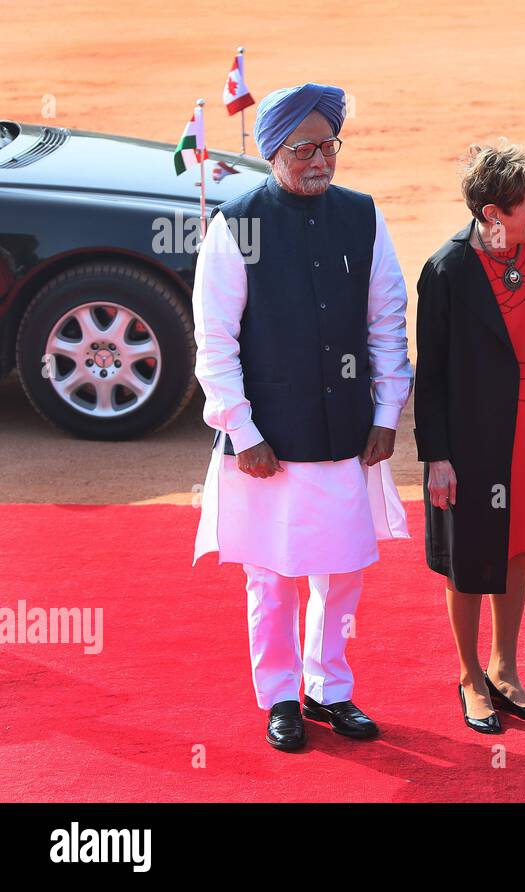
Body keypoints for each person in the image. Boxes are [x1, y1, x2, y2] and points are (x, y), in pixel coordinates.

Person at [192, 83, 413, 751]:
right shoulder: (238, 223)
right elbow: (215, 342)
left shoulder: (362, 216)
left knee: (341, 573)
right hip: (270, 443)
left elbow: (387, 322)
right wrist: (244, 431)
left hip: (345, 432)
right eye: (303, 149)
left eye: (328, 145)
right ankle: (280, 695)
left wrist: (385, 412)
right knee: (272, 575)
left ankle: (330, 690)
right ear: (273, 152)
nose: (320, 160)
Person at [414, 140, 525, 734]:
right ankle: (470, 678)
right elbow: (432, 373)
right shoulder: (446, 270)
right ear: (493, 212)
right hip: (475, 442)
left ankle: (505, 670)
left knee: (520, 547)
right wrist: (436, 456)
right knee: (469, 560)